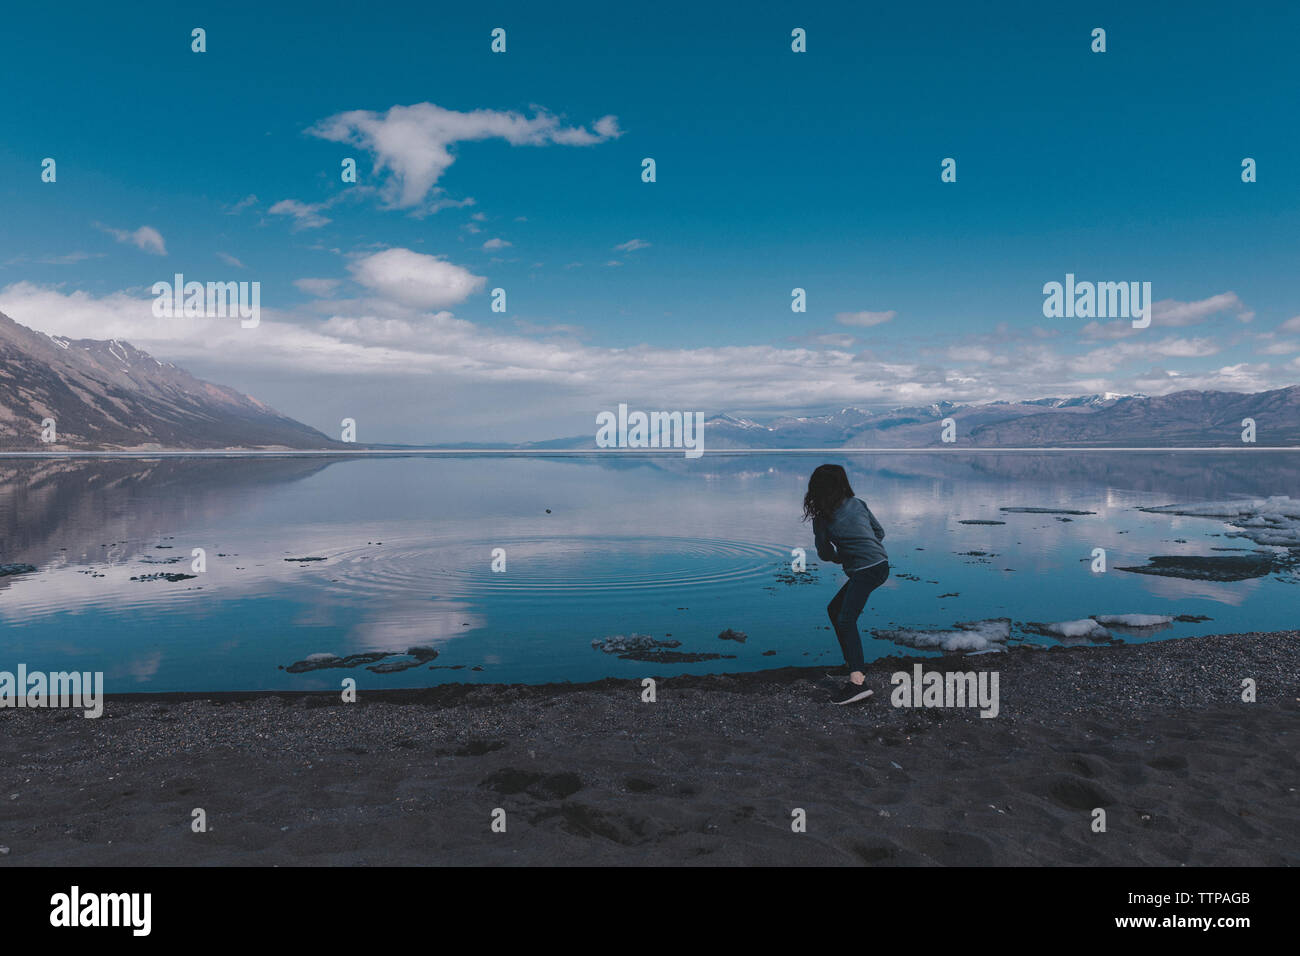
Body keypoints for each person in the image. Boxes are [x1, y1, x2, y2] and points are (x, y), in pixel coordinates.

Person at [803, 464, 890, 705]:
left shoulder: (822, 517)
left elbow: (824, 554)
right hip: (880, 564)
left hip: (866, 570)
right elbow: (879, 533)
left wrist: (843, 556)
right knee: (835, 610)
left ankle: (857, 683)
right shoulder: (858, 503)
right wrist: (862, 548)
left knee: (845, 618)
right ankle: (853, 664)